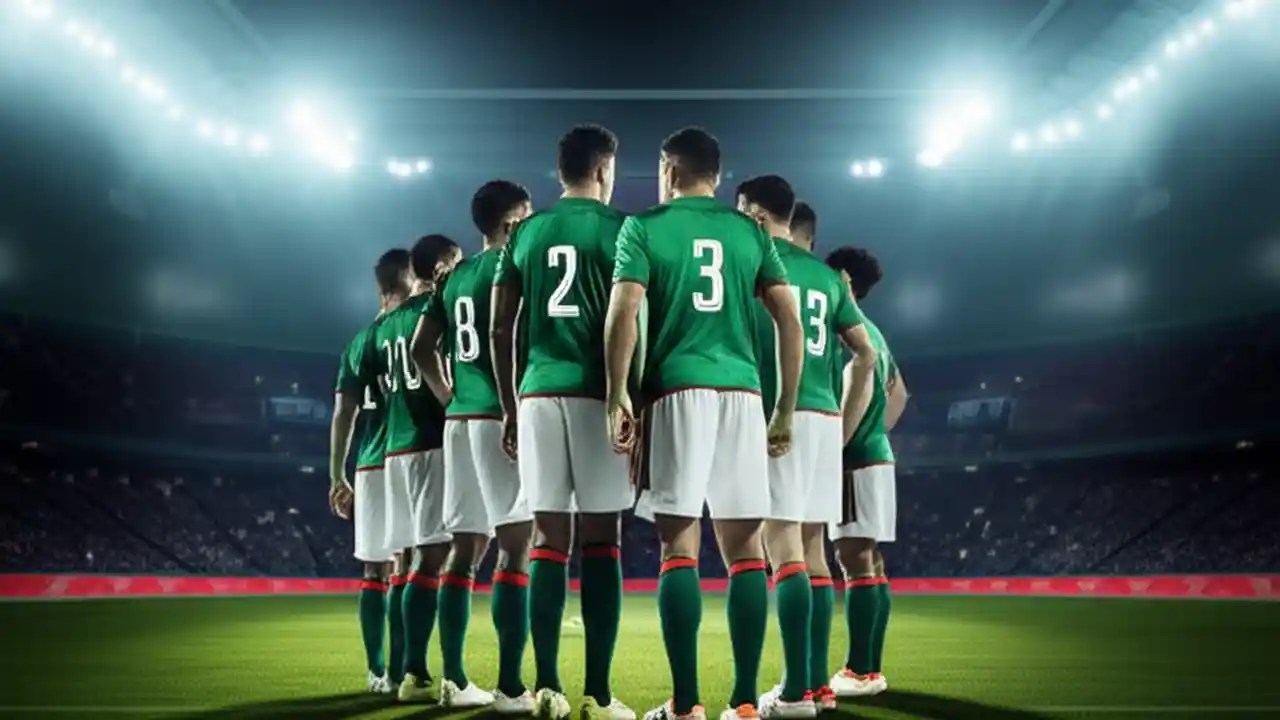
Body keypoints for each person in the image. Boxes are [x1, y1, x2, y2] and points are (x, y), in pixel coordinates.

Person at [603, 126, 805, 720]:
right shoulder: (749, 231)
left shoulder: (644, 227)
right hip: (742, 394)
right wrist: (784, 407)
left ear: (669, 168)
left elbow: (624, 312)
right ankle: (744, 702)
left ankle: (686, 704)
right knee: (747, 552)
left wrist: (618, 395)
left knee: (679, 550)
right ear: (717, 174)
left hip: (677, 391)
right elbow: (788, 322)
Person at [490, 125, 636, 720]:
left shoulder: (523, 233)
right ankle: (597, 695)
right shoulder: (626, 229)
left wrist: (508, 405)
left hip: (537, 394)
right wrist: (630, 397)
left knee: (548, 541)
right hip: (599, 395)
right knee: (603, 541)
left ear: (560, 172)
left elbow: (502, 328)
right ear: (604, 170)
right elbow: (634, 318)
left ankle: (545, 686)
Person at [735, 185, 877, 718]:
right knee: (815, 554)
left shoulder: (756, 264)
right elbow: (865, 354)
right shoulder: (827, 276)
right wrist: (846, 422)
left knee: (782, 546)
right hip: (824, 417)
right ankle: (817, 685)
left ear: (757, 213)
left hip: (779, 415)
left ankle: (794, 693)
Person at [412, 180, 535, 713]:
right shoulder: (516, 268)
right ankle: (510, 686)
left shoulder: (452, 277)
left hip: (459, 420)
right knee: (516, 544)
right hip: (498, 417)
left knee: (465, 551)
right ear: (511, 222)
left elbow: (422, 348)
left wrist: (449, 395)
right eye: (527, 216)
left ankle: (455, 678)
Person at [362, 234, 461, 703]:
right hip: (428, 439)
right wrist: (453, 400)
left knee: (404, 565)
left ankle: (404, 669)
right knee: (432, 557)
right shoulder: (433, 309)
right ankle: (418, 673)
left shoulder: (381, 327)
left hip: (393, 453)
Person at [823, 246, 909, 699]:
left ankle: (858, 671)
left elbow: (860, 384)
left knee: (854, 558)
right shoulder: (876, 332)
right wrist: (876, 430)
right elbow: (900, 395)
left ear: (843, 278)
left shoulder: (846, 330)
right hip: (878, 451)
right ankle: (871, 670)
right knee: (870, 560)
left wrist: (840, 444)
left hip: (855, 456)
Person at [329, 248, 411, 695]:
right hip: (408, 455)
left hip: (368, 462)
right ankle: (402, 671)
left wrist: (335, 475)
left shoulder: (360, 343)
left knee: (374, 572)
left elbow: (344, 413)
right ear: (408, 281)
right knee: (406, 567)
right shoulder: (418, 322)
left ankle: (376, 669)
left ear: (380, 290)